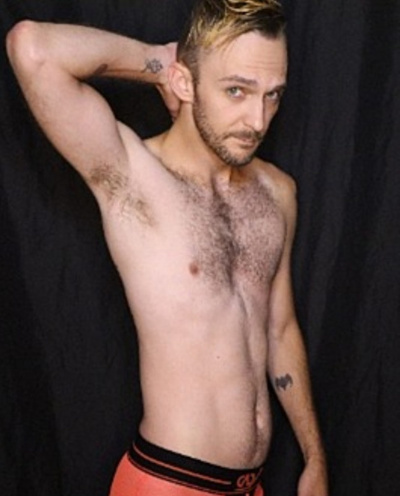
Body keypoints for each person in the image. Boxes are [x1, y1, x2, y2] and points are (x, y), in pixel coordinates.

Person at [6, 0, 328, 495]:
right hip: (168, 481)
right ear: (185, 82)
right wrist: (157, 61)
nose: (258, 120)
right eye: (237, 90)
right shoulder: (133, 177)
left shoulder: (277, 192)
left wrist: (314, 457)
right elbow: (31, 48)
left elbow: (279, 327)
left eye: (273, 95)